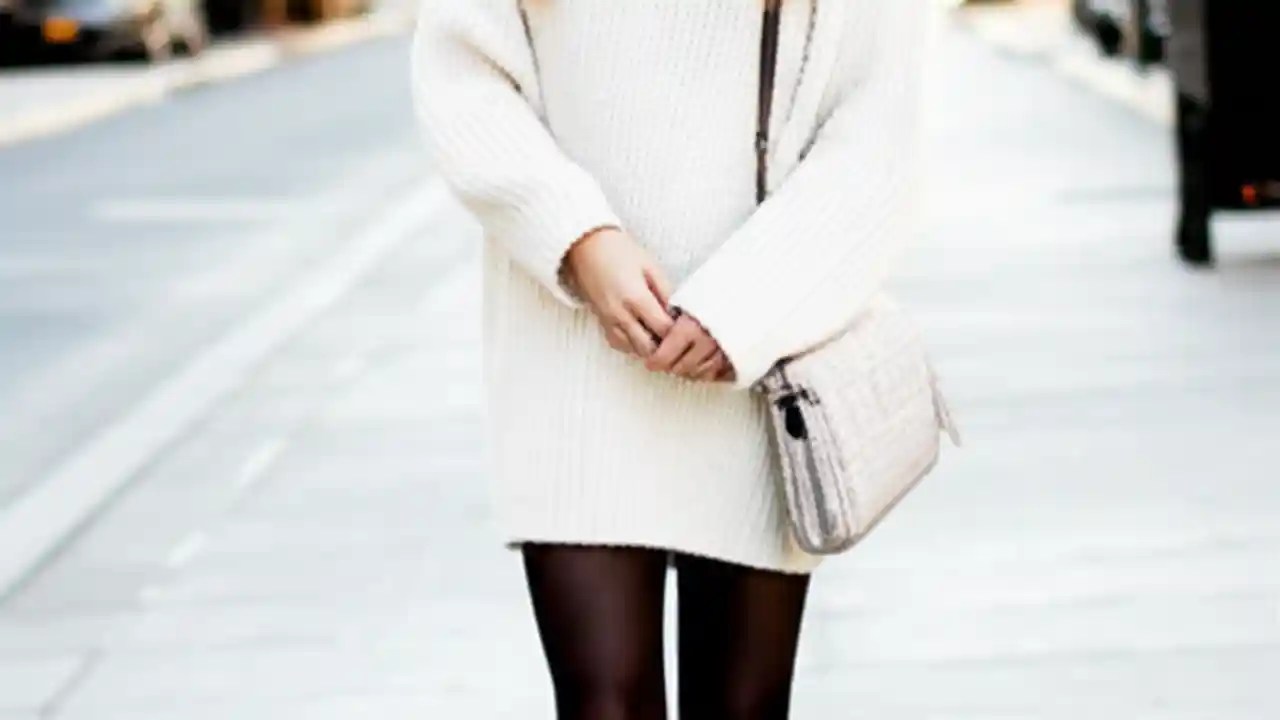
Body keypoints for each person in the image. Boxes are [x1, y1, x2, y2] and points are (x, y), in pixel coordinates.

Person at [411, 1, 929, 717]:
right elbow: (459, 69)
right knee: (603, 701)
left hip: (761, 368)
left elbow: (881, 127)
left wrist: (749, 305)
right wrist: (577, 236)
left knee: (741, 707)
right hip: (571, 357)